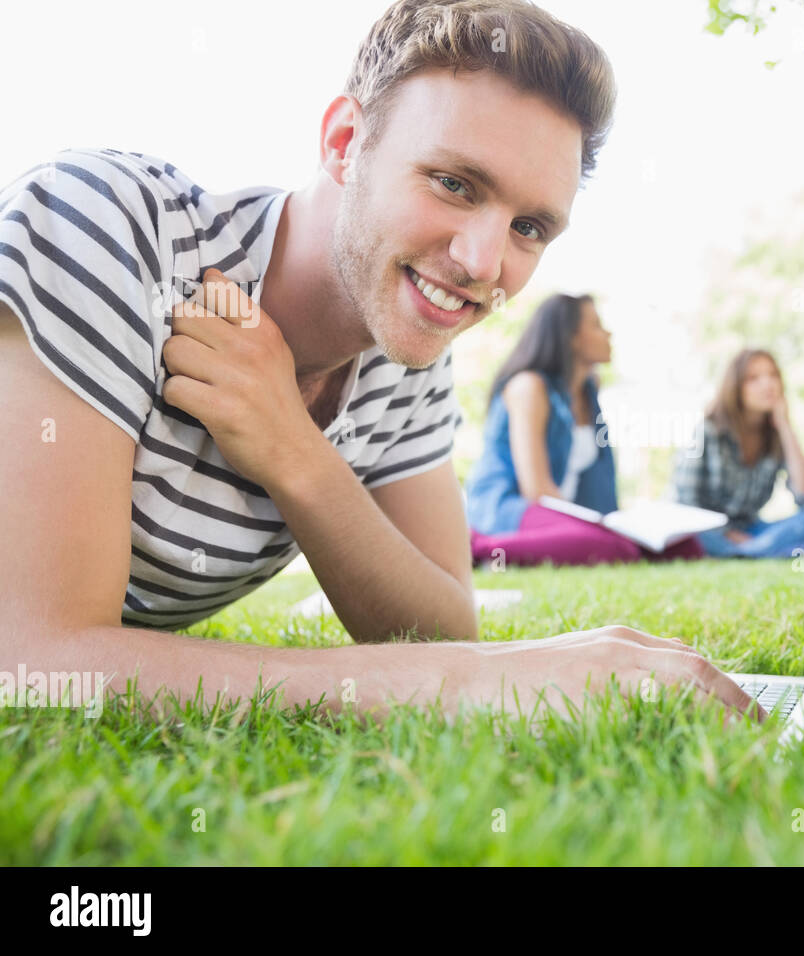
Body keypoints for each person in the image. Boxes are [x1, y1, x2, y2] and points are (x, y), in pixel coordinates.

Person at [0, 0, 758, 723]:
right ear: (343, 143)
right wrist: (460, 684)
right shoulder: (109, 227)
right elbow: (30, 664)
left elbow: (436, 624)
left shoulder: (408, 351)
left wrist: (294, 454)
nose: (480, 263)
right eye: (454, 183)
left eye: (528, 226)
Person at [464, 293, 703, 566]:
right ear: (571, 337)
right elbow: (536, 490)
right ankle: (480, 549)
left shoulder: (588, 391)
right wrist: (595, 526)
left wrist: (617, 521)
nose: (608, 333)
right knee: (612, 548)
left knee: (685, 546)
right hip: (511, 509)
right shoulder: (529, 386)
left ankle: (586, 541)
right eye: (597, 325)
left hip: (565, 515)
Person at [673, 348, 804, 558]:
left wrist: (785, 426)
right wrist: (730, 535)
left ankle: (755, 552)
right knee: (698, 537)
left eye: (773, 375)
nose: (768, 384)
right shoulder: (707, 430)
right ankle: (779, 550)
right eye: (753, 378)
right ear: (735, 387)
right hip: (707, 532)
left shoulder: (775, 436)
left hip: (753, 531)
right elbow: (686, 503)